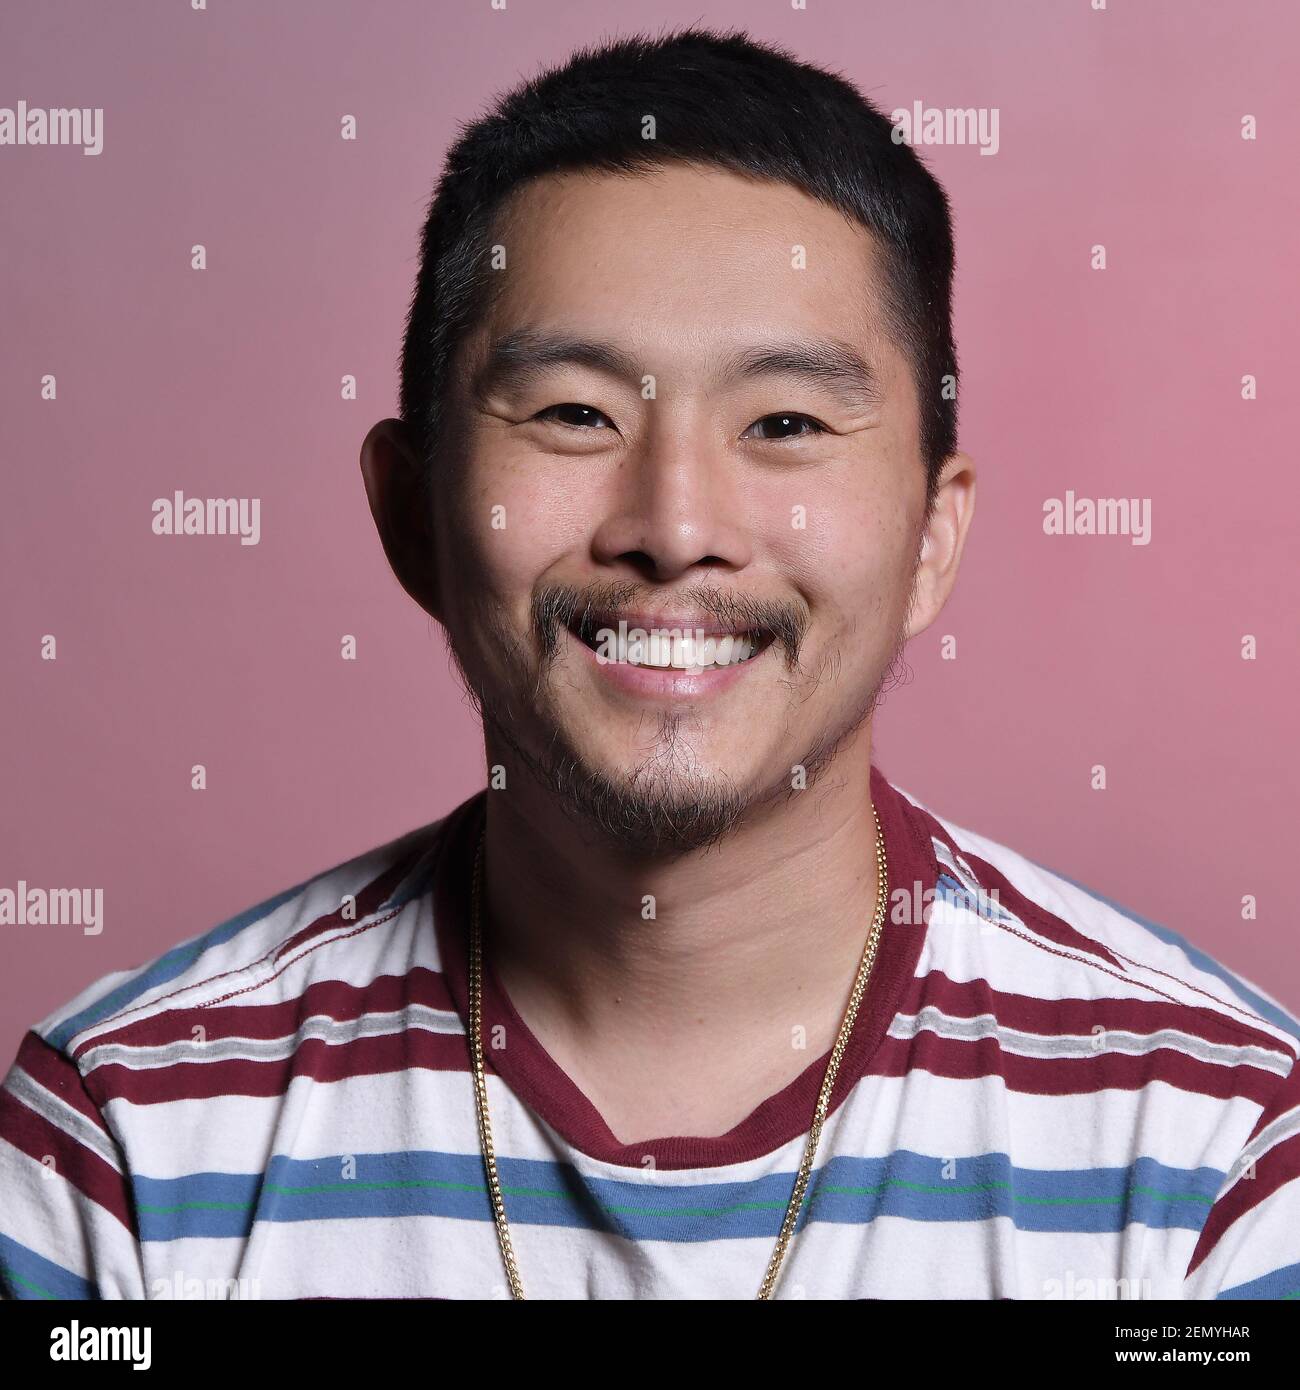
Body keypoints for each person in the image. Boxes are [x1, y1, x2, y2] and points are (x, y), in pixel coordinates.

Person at [2, 26, 1297, 1302]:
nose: (675, 529)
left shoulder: (1214, 1142)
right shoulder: (126, 1136)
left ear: (931, 536)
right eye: (575, 413)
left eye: (785, 422)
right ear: (411, 511)